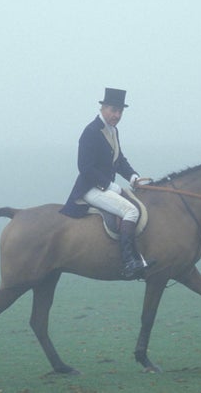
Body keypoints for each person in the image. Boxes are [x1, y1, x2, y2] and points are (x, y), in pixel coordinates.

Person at [60, 88, 148, 279]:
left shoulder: (113, 130)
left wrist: (133, 176)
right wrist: (110, 185)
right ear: (103, 108)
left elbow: (119, 159)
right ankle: (128, 262)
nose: (117, 115)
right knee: (131, 211)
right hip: (89, 189)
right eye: (113, 111)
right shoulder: (91, 132)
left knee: (135, 204)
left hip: (105, 186)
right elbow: (85, 168)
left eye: (120, 112)